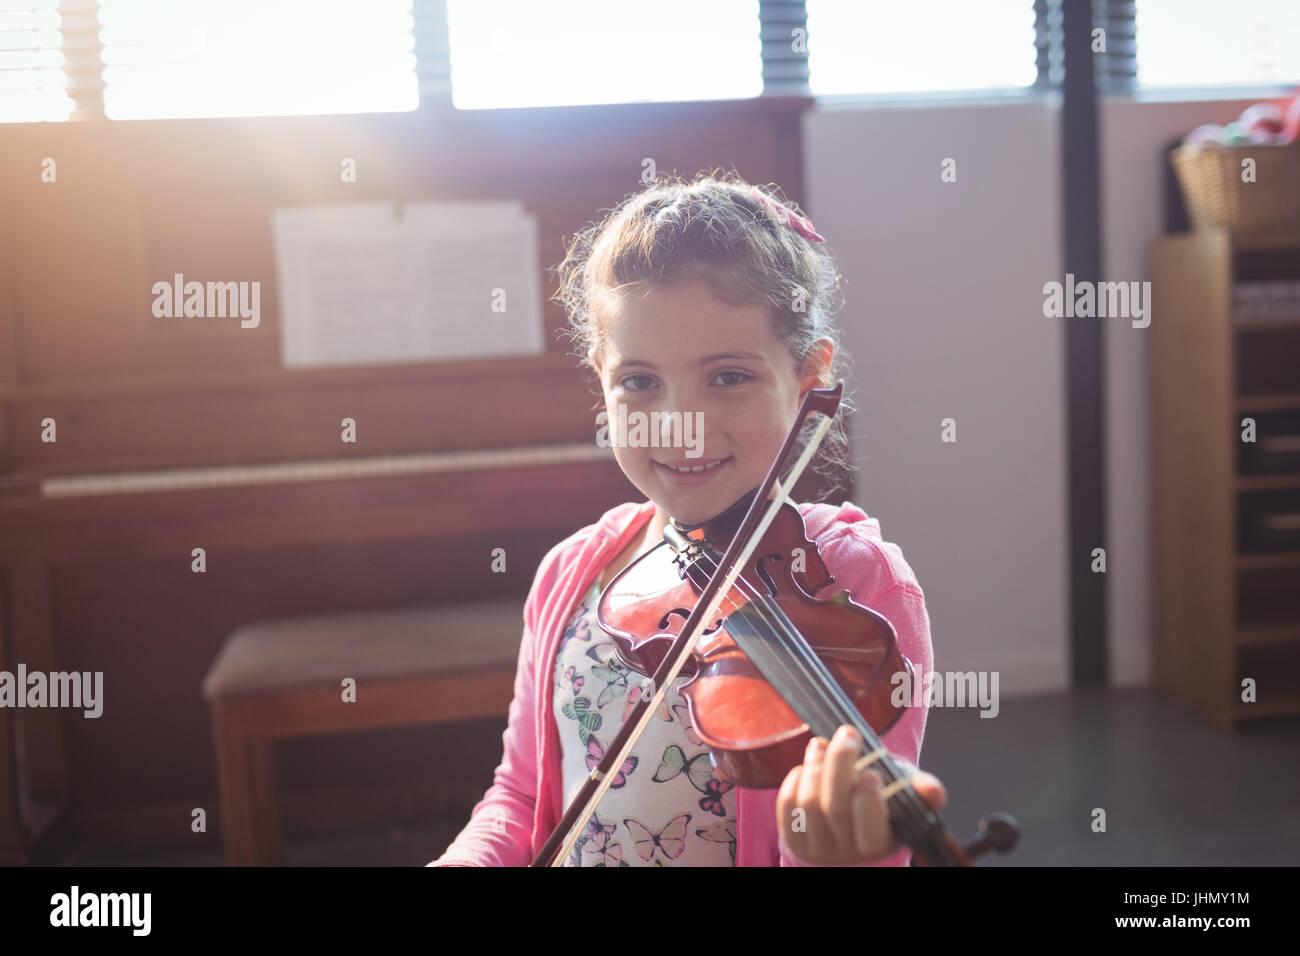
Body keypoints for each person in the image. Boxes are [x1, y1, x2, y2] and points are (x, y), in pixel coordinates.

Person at [429, 171, 945, 867]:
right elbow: (520, 796)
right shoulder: (572, 573)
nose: (680, 429)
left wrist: (839, 856)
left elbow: (854, 839)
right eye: (640, 382)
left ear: (807, 379)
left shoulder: (853, 590)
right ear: (600, 376)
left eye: (728, 377)